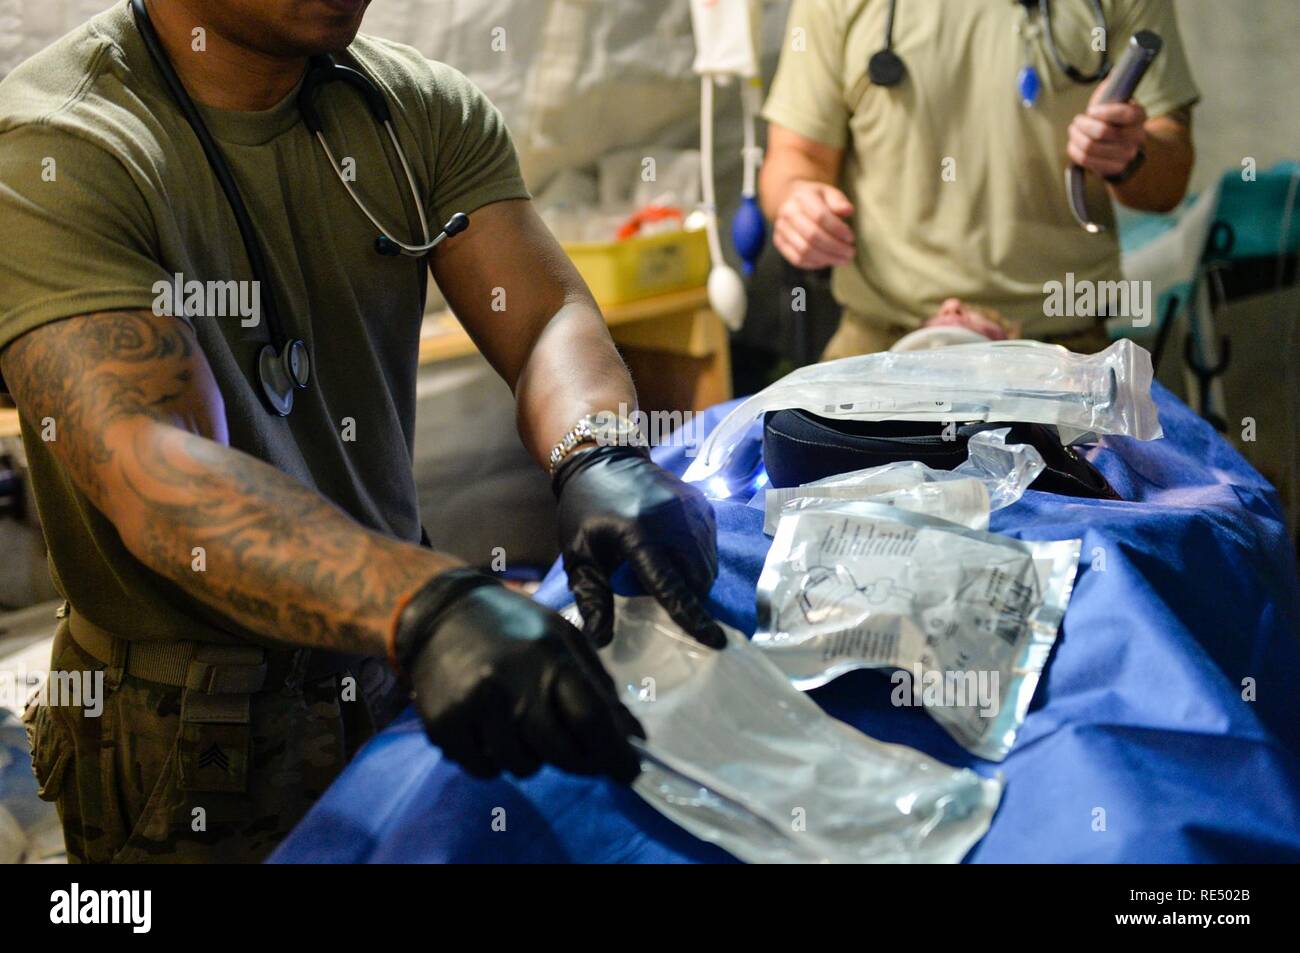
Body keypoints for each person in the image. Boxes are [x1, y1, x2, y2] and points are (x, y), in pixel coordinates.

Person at [0, 0, 722, 863]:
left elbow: (541, 319)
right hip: (191, 736)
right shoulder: (57, 149)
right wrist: (427, 600)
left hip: (391, 668)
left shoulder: (412, 110)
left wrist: (595, 448)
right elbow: (155, 470)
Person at [759, 0, 1200, 359]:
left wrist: (1130, 155)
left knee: (1102, 469)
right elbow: (794, 158)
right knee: (809, 457)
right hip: (883, 344)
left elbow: (1169, 182)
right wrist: (798, 201)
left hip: (1063, 349)